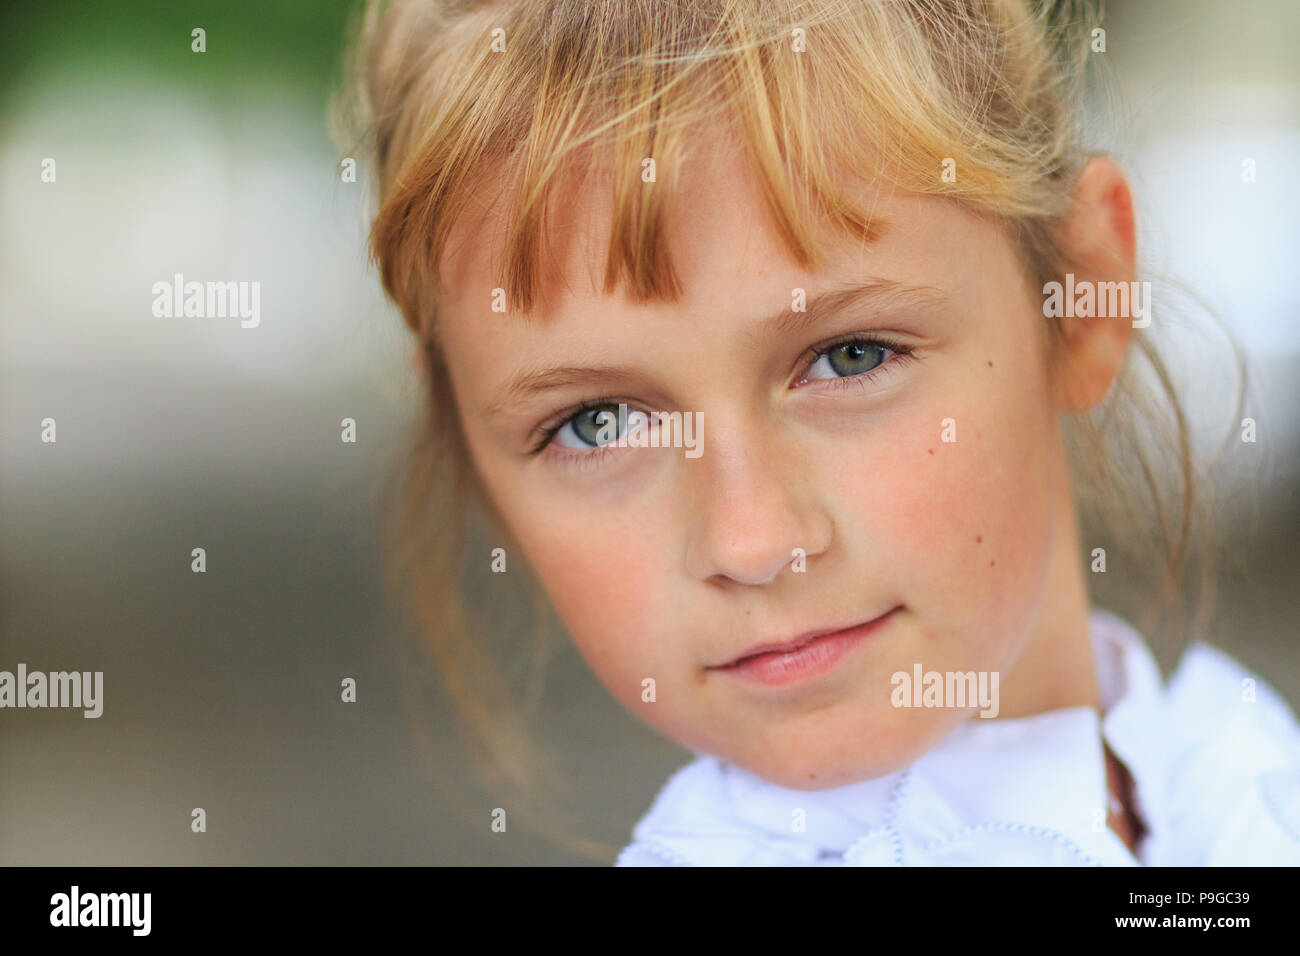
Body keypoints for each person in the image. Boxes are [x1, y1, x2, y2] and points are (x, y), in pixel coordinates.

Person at [339, 0, 1300, 864]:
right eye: (596, 423)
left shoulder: (1247, 780)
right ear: (469, 447)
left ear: (1083, 297)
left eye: (848, 357)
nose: (751, 541)